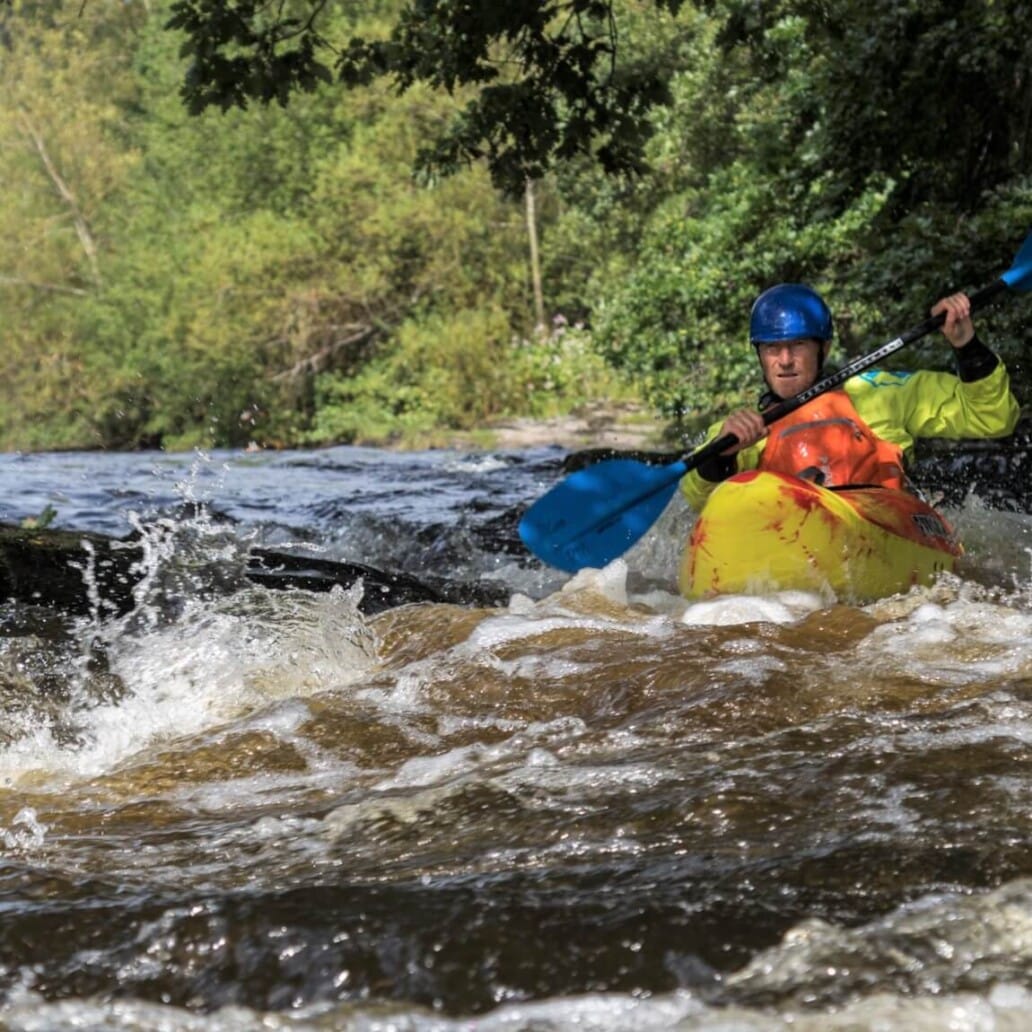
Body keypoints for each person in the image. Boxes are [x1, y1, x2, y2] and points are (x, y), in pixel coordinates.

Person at [679, 283, 1021, 511]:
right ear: (760, 354)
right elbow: (697, 500)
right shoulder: (741, 431)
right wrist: (720, 459)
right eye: (772, 348)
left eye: (798, 345)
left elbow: (993, 417)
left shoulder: (881, 394)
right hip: (789, 547)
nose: (784, 360)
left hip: (878, 533)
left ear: (823, 348)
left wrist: (966, 344)